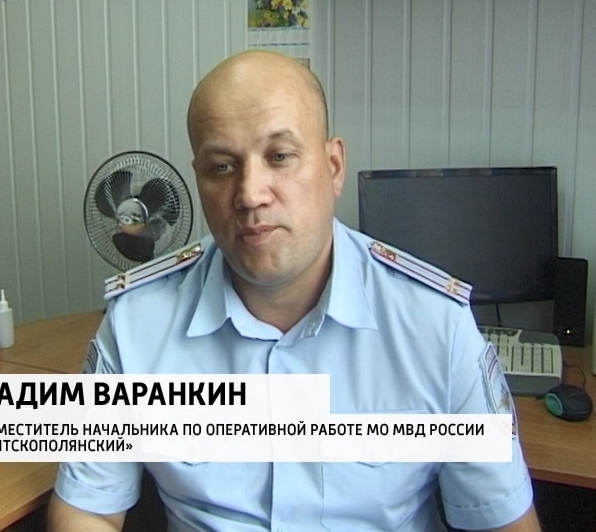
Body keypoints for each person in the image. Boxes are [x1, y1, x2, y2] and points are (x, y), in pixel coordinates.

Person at [48, 50, 541, 531]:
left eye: (279, 157)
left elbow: (502, 521)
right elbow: (89, 507)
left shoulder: (436, 327)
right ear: (198, 180)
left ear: (333, 166)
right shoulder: (137, 324)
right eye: (222, 167)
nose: (249, 194)